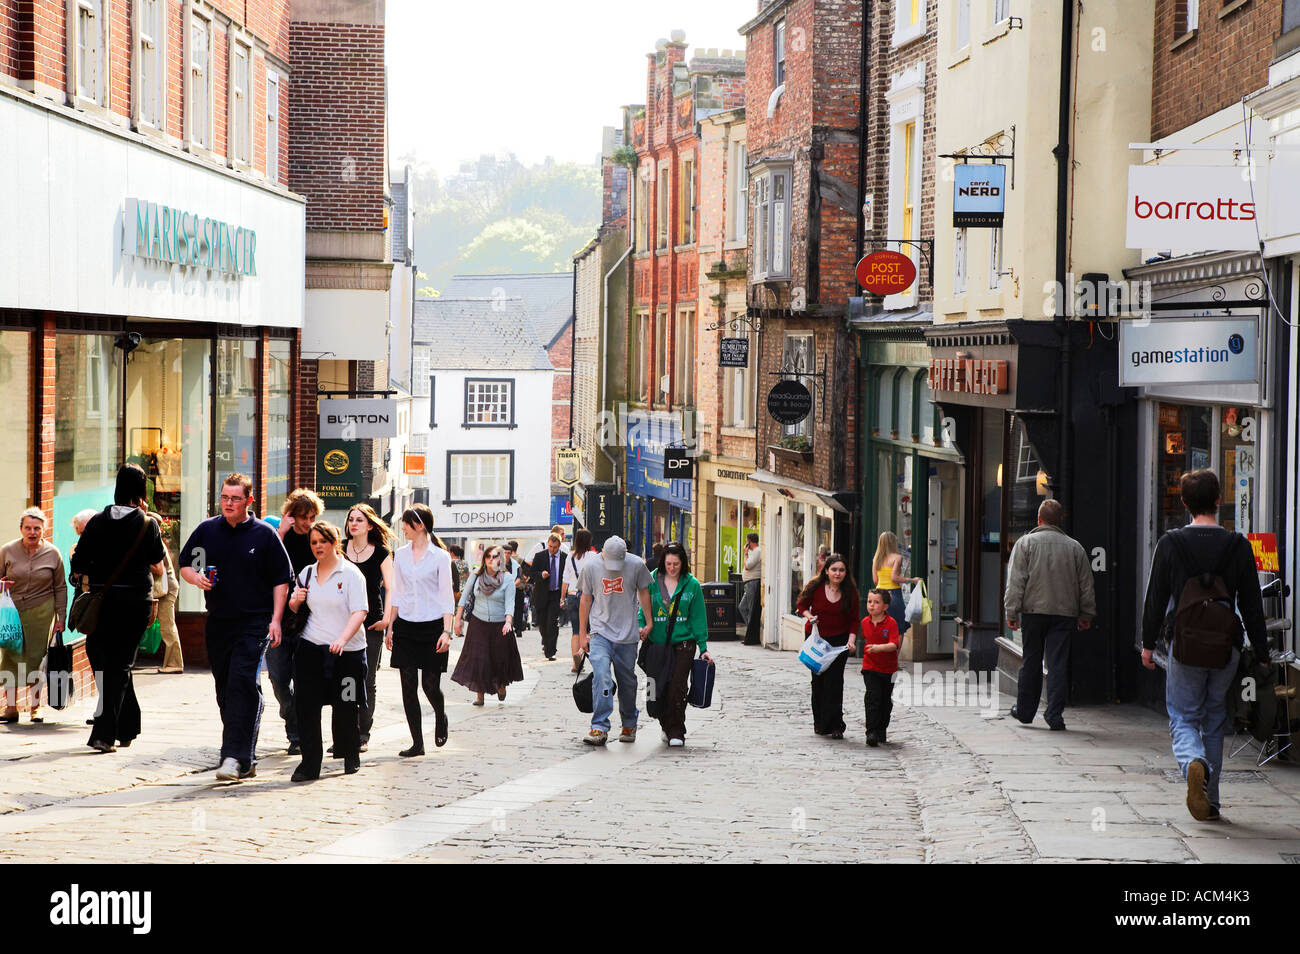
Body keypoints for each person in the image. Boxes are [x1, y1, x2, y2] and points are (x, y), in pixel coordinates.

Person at [1140, 469, 1268, 822]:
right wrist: (1262, 651)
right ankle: (1210, 801)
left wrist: (1147, 645)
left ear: (1184, 503)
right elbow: (1253, 603)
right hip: (1226, 645)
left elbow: (1155, 599)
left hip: (1185, 644)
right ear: (1217, 500)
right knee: (1214, 718)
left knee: (1182, 716)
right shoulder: (1238, 545)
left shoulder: (1170, 544)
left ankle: (1192, 763)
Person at [179, 474, 294, 782]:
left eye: (235, 498)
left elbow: (282, 580)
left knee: (241, 681)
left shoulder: (264, 535)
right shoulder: (207, 530)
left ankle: (232, 756)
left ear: (249, 501)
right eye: (224, 498)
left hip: (255, 622)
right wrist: (195, 578)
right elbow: (186, 564)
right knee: (226, 690)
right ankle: (246, 756)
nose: (229, 503)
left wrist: (276, 620)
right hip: (218, 622)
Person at [70, 466, 166, 751]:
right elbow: (157, 560)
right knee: (118, 666)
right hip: (136, 603)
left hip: (104, 601)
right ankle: (127, 725)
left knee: (106, 661)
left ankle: (103, 733)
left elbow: (79, 562)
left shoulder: (98, 522)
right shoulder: (148, 524)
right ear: (141, 492)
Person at [287, 521, 369, 782]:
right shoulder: (308, 573)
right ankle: (310, 764)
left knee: (346, 705)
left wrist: (343, 639)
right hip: (311, 647)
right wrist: (296, 600)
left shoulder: (351, 574)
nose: (318, 546)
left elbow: (360, 611)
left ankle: (350, 753)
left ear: (335, 543)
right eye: (313, 542)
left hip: (348, 652)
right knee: (306, 707)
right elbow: (293, 606)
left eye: (323, 541)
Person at [1004, 499, 1096, 732]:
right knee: (1057, 664)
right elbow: (1086, 584)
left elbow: (1016, 582)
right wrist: (1086, 613)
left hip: (1033, 612)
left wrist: (1011, 610)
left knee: (1031, 661)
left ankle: (1025, 712)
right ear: (1060, 521)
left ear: (1039, 519)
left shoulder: (1025, 544)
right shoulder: (1075, 547)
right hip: (1064, 613)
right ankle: (1054, 715)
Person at [387, 504, 455, 757]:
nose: (402, 528)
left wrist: (447, 632)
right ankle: (417, 743)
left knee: (429, 685)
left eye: (406, 523)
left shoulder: (440, 557)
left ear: (420, 526)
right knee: (407, 685)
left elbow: (447, 597)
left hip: (432, 626)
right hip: (405, 624)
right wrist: (391, 626)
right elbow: (397, 592)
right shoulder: (401, 554)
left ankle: (440, 714)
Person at [577, 536, 653, 745]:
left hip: (627, 635)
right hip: (600, 632)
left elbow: (644, 592)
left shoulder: (636, 564)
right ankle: (599, 726)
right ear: (602, 553)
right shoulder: (591, 566)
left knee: (627, 681)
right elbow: (585, 599)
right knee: (601, 675)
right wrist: (583, 633)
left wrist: (649, 622)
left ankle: (629, 723)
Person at [637, 541, 712, 747]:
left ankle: (677, 729)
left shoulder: (692, 585)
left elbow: (698, 618)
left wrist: (703, 647)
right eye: (669, 564)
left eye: (676, 564)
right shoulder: (651, 580)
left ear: (683, 563)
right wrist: (642, 626)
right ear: (663, 562)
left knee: (678, 687)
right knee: (658, 688)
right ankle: (666, 724)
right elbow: (643, 608)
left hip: (684, 644)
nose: (672, 568)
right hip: (657, 644)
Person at [1, 508, 69, 724]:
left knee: (36, 658)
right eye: (28, 528)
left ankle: (35, 707)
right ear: (21, 529)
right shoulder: (7, 550)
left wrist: (61, 618)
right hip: (12, 611)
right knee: (10, 656)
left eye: (37, 528)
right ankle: (10, 707)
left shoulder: (52, 553)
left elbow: (60, 587)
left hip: (42, 611)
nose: (32, 532)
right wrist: (3, 585)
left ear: (43, 530)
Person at [269, 488, 323, 756]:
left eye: (312, 516)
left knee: (303, 680)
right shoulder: (279, 536)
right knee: (279, 678)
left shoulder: (317, 538)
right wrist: (281, 530)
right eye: (303, 517)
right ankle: (290, 714)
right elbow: (267, 563)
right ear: (292, 515)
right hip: (278, 618)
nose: (308, 522)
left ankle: (297, 735)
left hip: (307, 620)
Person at [343, 504, 395, 751]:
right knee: (344, 677)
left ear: (370, 525)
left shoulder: (381, 553)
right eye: (351, 519)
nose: (353, 524)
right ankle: (345, 731)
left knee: (367, 679)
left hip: (372, 622)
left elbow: (392, 588)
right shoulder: (340, 549)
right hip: (343, 622)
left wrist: (387, 621)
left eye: (359, 520)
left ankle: (363, 733)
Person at [796, 553, 861, 739]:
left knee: (835, 682)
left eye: (841, 570)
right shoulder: (815, 587)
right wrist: (809, 616)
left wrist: (851, 640)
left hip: (839, 641)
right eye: (834, 570)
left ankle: (836, 725)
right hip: (817, 639)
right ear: (826, 571)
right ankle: (820, 722)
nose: (837, 573)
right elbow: (801, 605)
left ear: (846, 572)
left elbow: (854, 619)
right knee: (818, 682)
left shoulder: (850, 593)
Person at [451, 545, 522, 705]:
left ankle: (501, 685)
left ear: (500, 559)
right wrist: (458, 619)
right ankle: (479, 694)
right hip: (478, 622)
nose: (491, 559)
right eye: (488, 556)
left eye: (495, 556)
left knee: (499, 659)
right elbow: (464, 597)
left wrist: (509, 621)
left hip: (500, 625)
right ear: (484, 559)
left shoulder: (508, 579)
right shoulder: (476, 576)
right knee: (479, 659)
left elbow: (510, 603)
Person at [860, 588, 902, 747]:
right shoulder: (864, 622)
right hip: (870, 666)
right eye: (870, 601)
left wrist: (879, 648)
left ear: (885, 606)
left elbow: (894, 645)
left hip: (888, 669)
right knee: (872, 698)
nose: (871, 605)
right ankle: (871, 731)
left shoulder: (891, 623)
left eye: (876, 602)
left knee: (885, 701)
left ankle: (881, 729)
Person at [146, 509, 183, 673]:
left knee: (167, 626)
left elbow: (158, 570)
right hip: (164, 588)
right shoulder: (156, 541)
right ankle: (172, 663)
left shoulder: (155, 543)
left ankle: (175, 664)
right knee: (166, 626)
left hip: (166, 590)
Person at [871, 532, 919, 638]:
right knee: (898, 628)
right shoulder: (897, 558)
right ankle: (894, 654)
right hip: (893, 594)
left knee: (880, 625)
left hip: (878, 594)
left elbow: (875, 581)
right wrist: (912, 580)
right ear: (893, 543)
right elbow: (894, 578)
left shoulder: (876, 559)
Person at [529, 533, 569, 661]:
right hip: (542, 594)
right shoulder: (540, 556)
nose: (552, 550)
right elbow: (532, 573)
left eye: (555, 547)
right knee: (542, 623)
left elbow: (567, 577)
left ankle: (551, 651)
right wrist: (541, 574)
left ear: (559, 546)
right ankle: (546, 644)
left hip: (556, 594)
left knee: (552, 623)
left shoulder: (565, 558)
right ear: (548, 544)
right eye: (550, 547)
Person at [563, 528, 595, 672]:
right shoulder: (593, 556)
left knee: (576, 631)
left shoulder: (569, 556)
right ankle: (581, 653)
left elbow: (565, 579)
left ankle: (576, 664)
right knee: (589, 629)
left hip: (571, 595)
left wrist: (562, 598)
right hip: (588, 597)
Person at [502, 541, 528, 638]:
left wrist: (512, 584)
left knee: (518, 609)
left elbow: (519, 576)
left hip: (517, 589)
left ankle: (518, 628)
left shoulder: (515, 563)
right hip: (503, 591)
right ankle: (508, 627)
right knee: (507, 609)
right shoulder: (498, 563)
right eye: (505, 553)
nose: (507, 555)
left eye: (509, 553)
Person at [740, 532, 762, 645]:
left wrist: (745, 554)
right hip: (748, 583)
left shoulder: (757, 551)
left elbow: (747, 566)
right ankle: (751, 632)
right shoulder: (754, 552)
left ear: (749, 541)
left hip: (753, 582)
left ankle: (751, 635)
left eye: (746, 540)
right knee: (742, 607)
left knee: (750, 608)